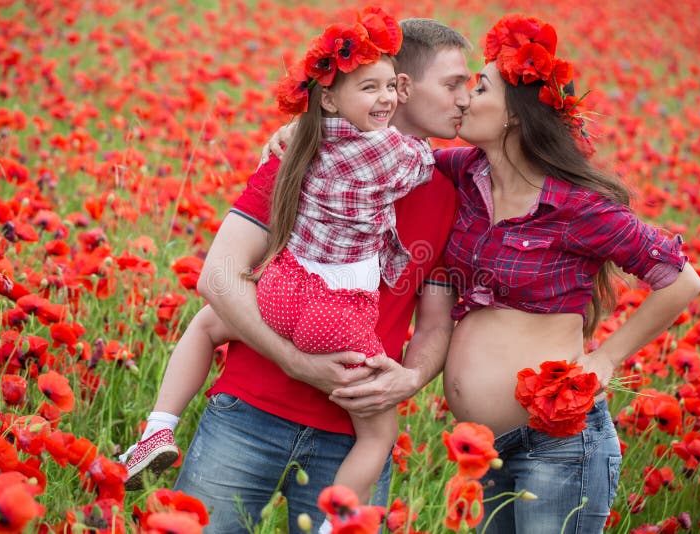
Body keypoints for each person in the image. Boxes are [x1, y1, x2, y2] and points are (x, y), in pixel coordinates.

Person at [128, 15, 472, 532]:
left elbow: (436, 322)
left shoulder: (445, 190)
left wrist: (411, 378)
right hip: (249, 414)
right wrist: (294, 361)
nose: (464, 99)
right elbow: (219, 275)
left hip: (345, 429)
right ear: (403, 87)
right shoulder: (295, 155)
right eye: (453, 84)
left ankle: (159, 426)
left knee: (205, 324)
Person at [430, 14, 700, 533]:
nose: (464, 97)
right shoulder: (467, 172)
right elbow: (390, 156)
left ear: (515, 113)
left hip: (557, 445)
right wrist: (300, 132)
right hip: (486, 449)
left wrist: (603, 359)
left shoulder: (576, 206)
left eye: (479, 85)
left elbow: (682, 280)